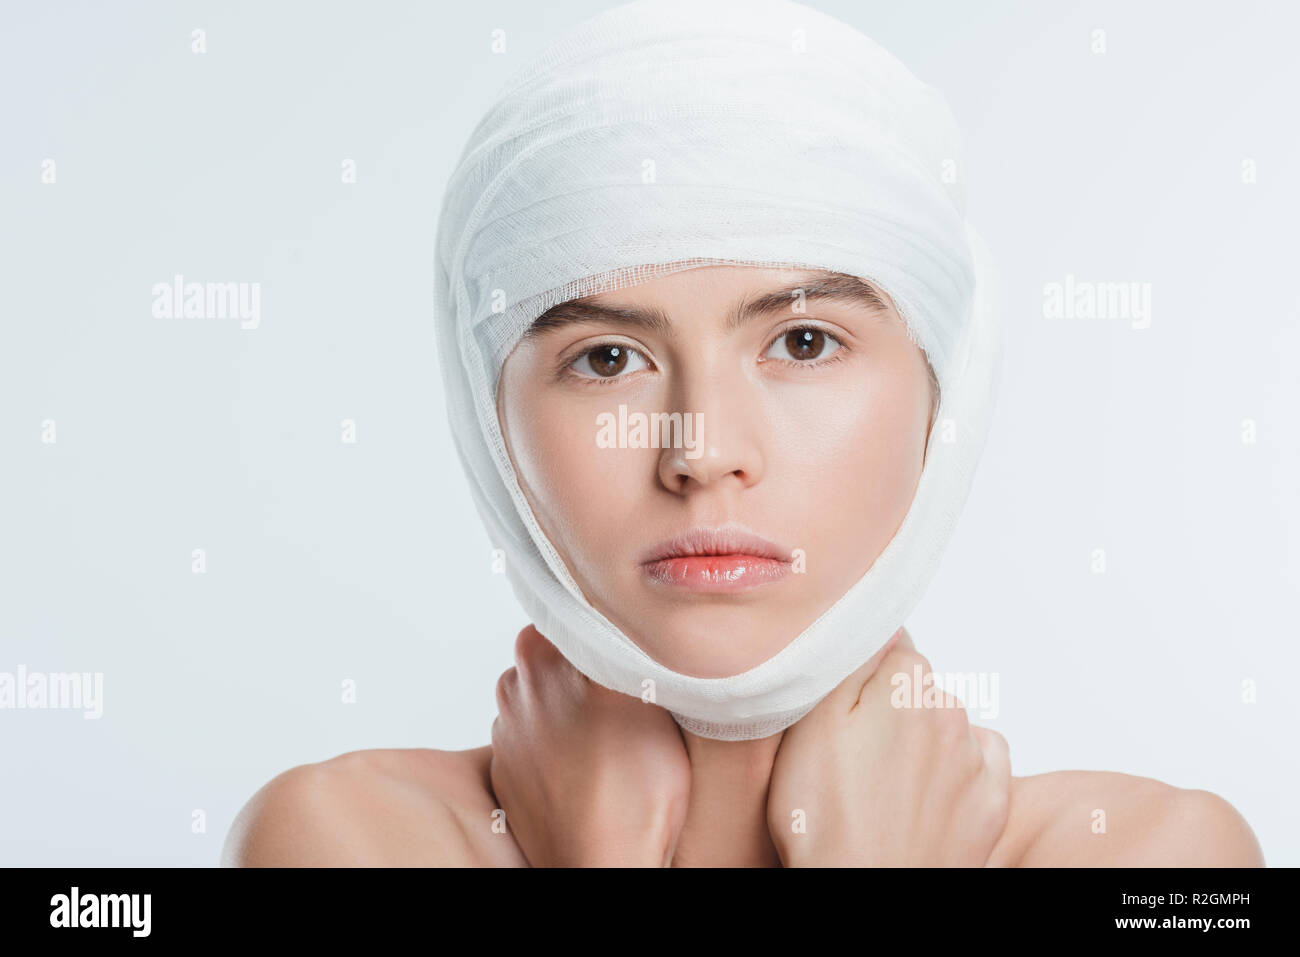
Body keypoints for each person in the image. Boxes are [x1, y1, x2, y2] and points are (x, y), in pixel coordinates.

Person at [223, 262, 1263, 867]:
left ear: (942, 400)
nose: (700, 449)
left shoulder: (1152, 860)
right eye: (606, 357)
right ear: (489, 422)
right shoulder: (341, 842)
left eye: (803, 343)